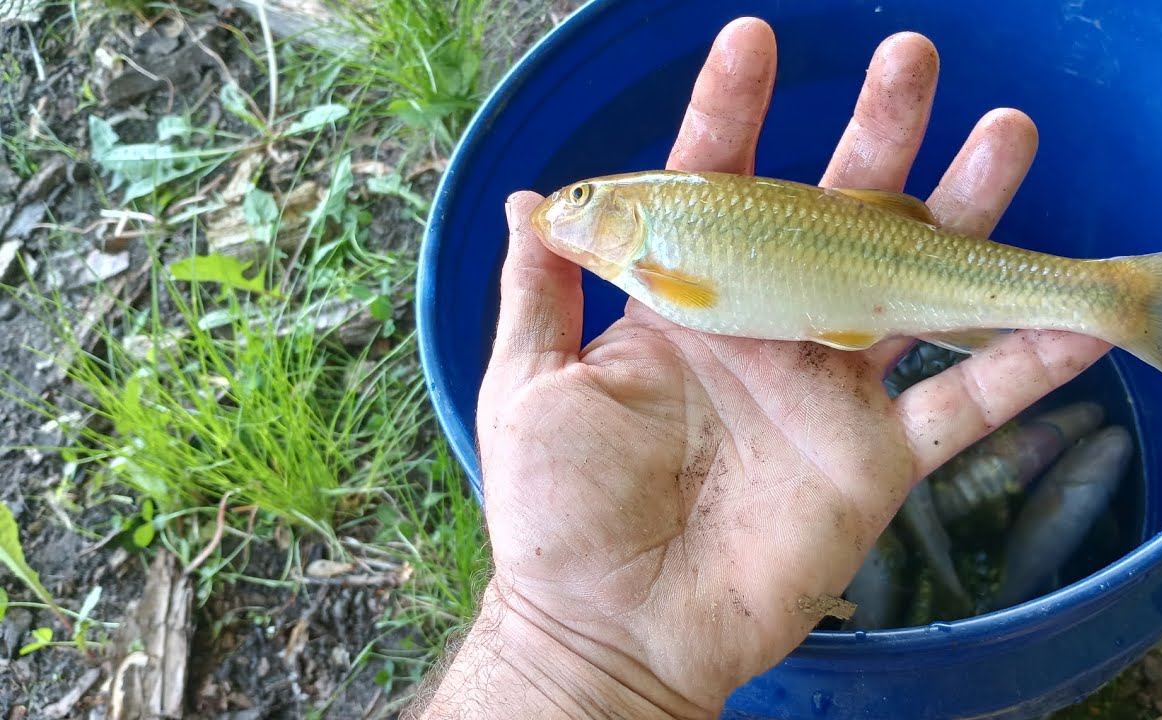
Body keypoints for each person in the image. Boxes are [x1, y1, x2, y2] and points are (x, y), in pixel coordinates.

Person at [408, 17, 1111, 720]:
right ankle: (1102, 296)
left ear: (626, 209)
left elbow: (698, 298)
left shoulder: (662, 243)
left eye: (585, 197)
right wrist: (570, 647)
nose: (565, 210)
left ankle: (1111, 296)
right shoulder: (658, 247)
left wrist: (568, 660)